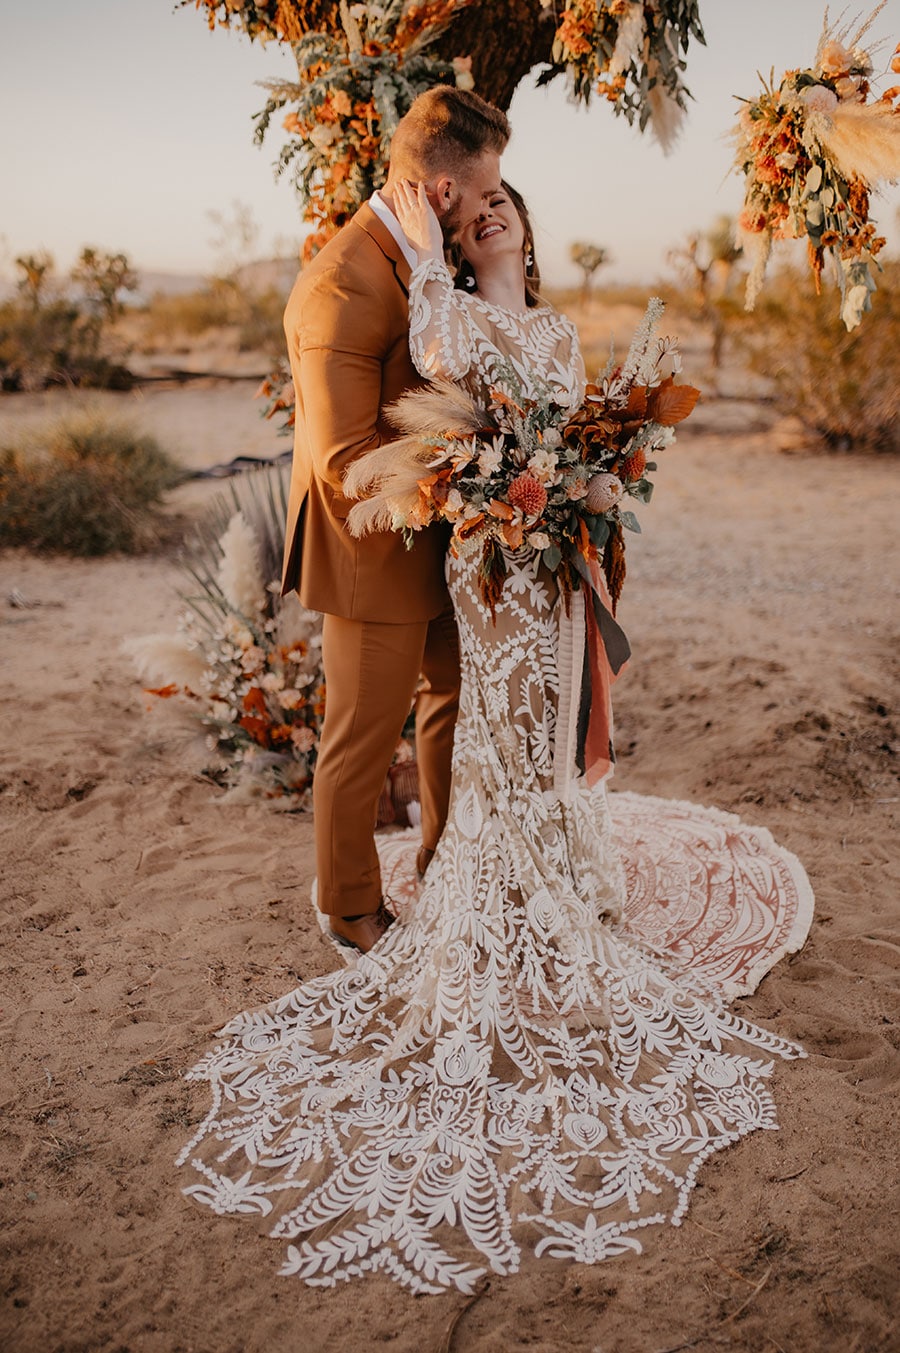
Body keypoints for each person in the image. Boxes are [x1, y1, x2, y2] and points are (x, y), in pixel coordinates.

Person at [178, 177, 814, 1294]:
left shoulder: (558, 331)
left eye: (501, 209)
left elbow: (572, 424)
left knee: (546, 727)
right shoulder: (449, 313)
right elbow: (439, 379)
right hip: (489, 559)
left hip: (558, 562)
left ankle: (548, 867)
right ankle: (476, 880)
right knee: (489, 721)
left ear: (525, 224)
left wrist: (594, 484)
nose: (489, 220)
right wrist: (432, 262)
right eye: (473, 216)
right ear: (460, 241)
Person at [279, 86, 510, 952]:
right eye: (481, 192)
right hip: (371, 551)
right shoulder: (342, 282)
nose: (486, 209)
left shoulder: (417, 252)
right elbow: (344, 459)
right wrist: (473, 460)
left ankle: (446, 865)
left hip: (442, 541)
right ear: (443, 191)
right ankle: (347, 907)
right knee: (363, 737)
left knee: (453, 703)